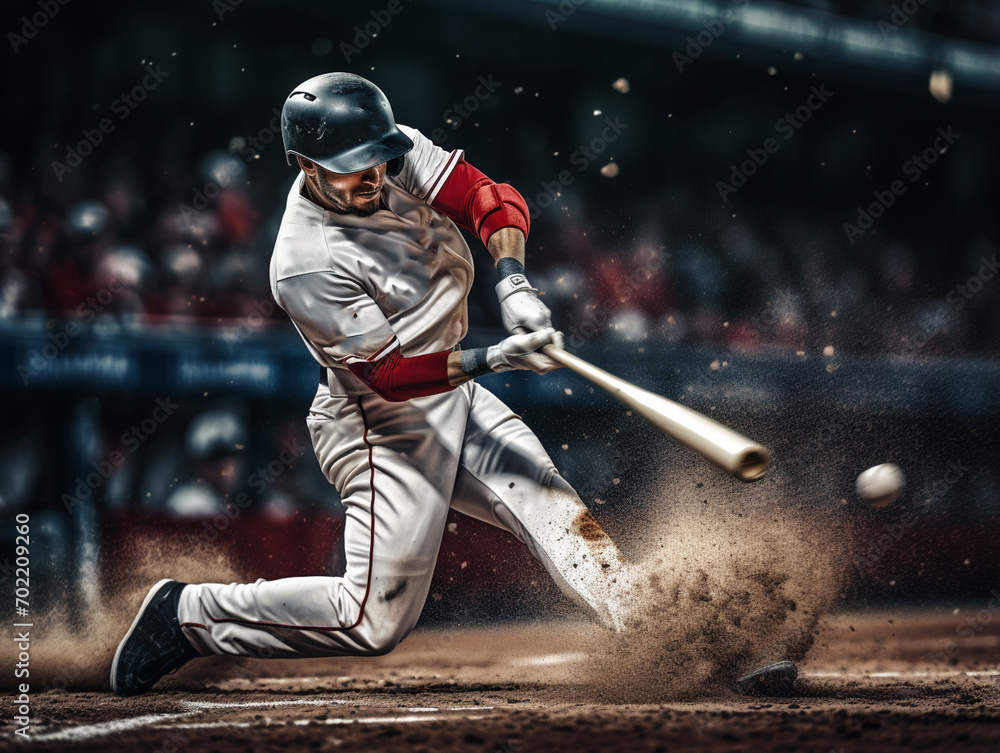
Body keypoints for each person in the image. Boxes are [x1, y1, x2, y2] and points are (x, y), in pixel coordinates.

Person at [111, 72, 633, 695]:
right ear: (305, 164)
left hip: (452, 393)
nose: (373, 175)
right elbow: (387, 376)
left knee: (554, 508)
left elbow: (489, 199)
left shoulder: (394, 153)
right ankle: (186, 615)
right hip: (379, 423)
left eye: (377, 159)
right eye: (350, 167)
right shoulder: (303, 262)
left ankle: (669, 633)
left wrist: (513, 281)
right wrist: (494, 359)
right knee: (372, 620)